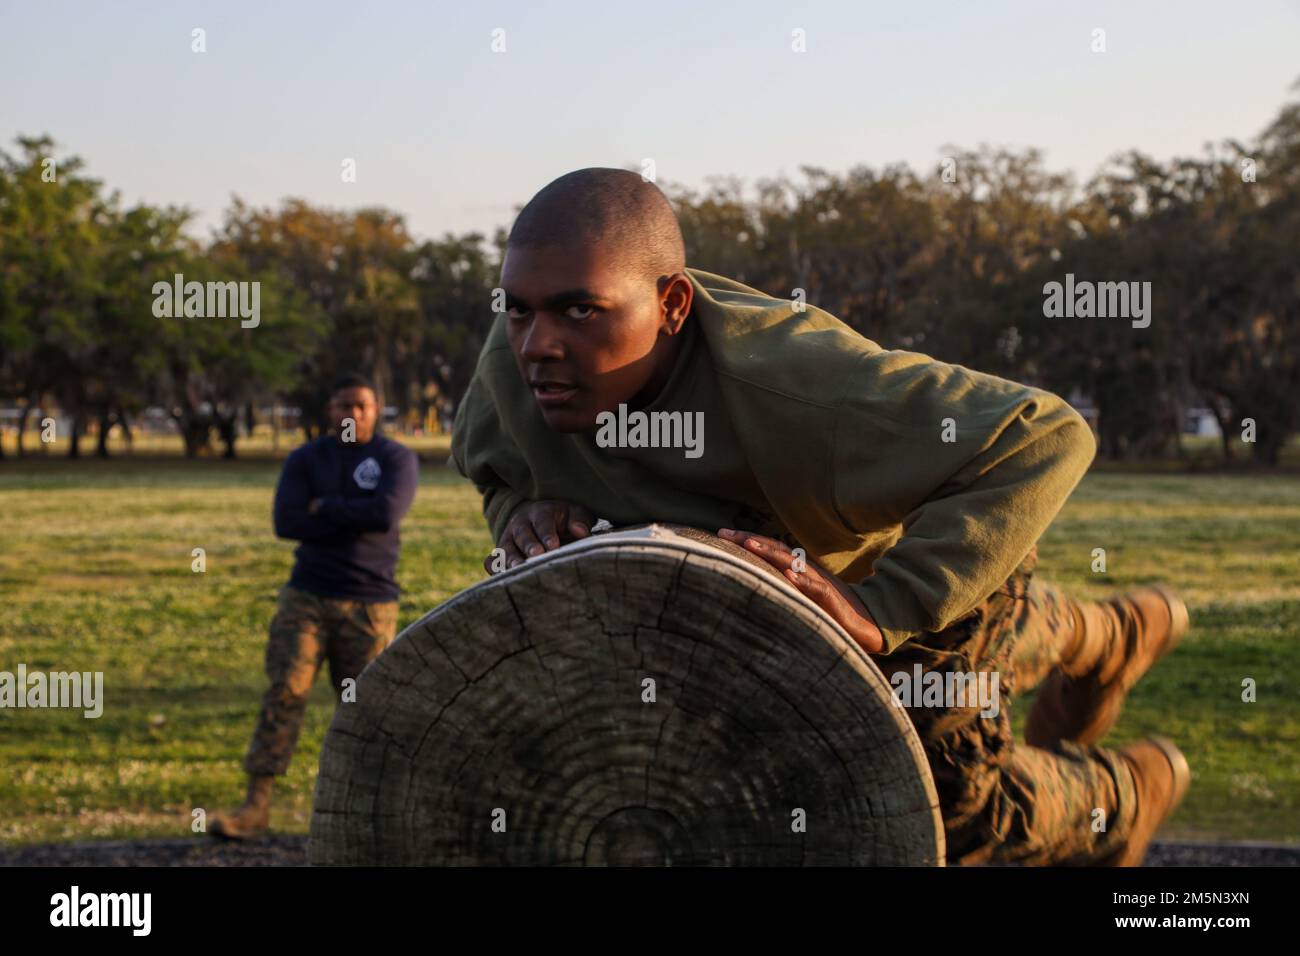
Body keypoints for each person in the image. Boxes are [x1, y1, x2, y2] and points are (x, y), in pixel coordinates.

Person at [450, 167, 1190, 866]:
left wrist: (881, 608)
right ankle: (1107, 633)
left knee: (936, 812)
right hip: (772, 603)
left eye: (582, 309)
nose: (538, 344)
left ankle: (1128, 791)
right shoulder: (513, 363)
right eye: (518, 308)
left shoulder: (803, 384)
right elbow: (494, 468)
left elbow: (1046, 435)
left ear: (673, 304)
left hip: (900, 569)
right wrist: (522, 510)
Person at [210, 373, 419, 839]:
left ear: (376, 410)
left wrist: (323, 508)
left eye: (362, 406)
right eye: (344, 405)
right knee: (285, 692)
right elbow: (286, 521)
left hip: (370, 604)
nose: (353, 414)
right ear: (330, 410)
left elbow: (385, 514)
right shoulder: (306, 458)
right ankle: (256, 806)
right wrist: (351, 512)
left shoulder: (395, 458)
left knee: (369, 710)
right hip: (306, 596)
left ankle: (373, 815)